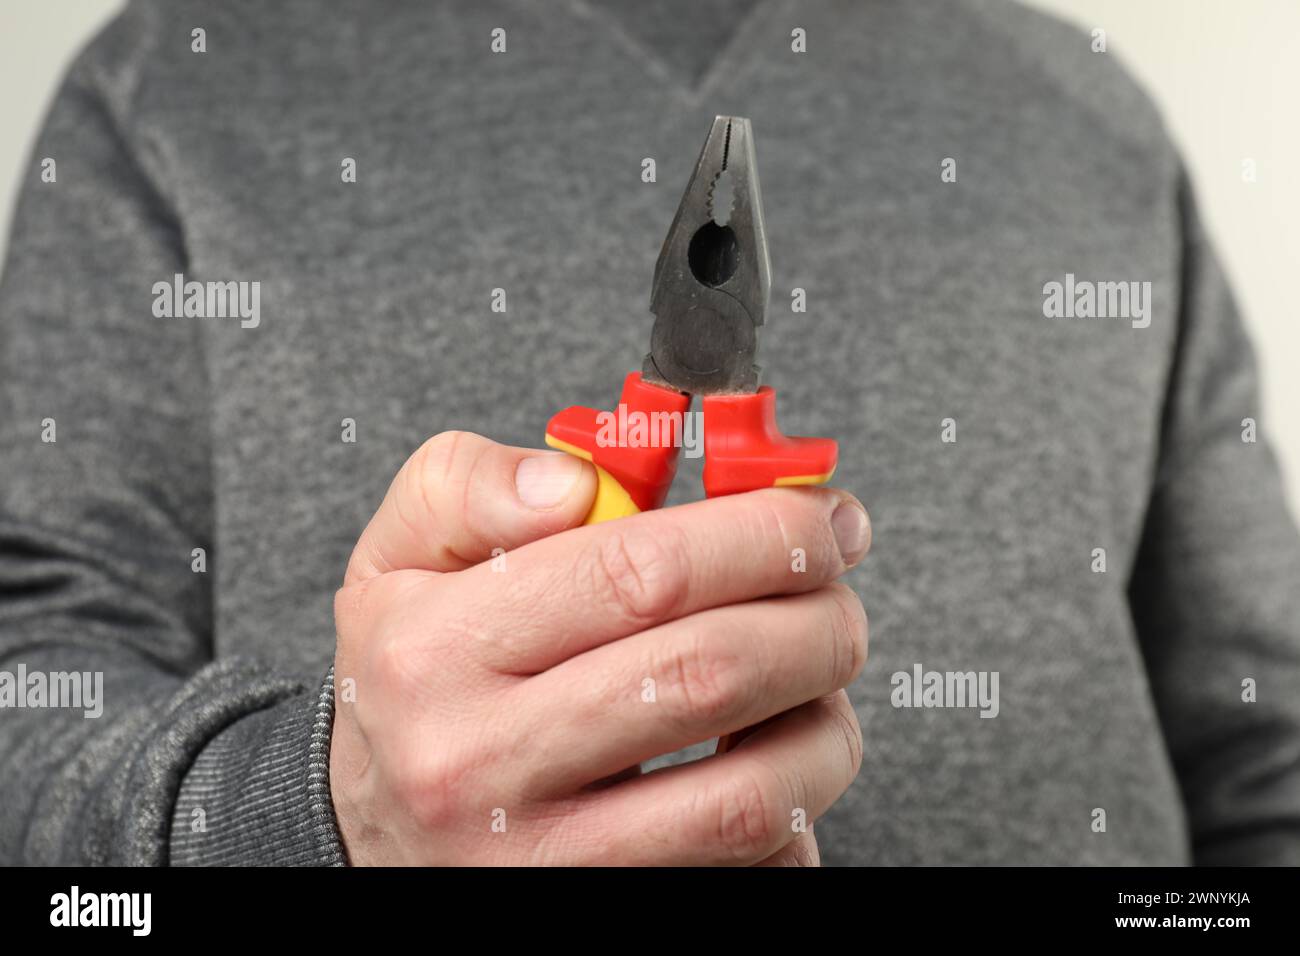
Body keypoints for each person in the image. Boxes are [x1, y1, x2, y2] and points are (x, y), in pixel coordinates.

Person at [1, 0, 1297, 866]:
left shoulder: (1089, 113)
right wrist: (321, 807)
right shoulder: (173, 84)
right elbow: (27, 722)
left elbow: (1262, 741)